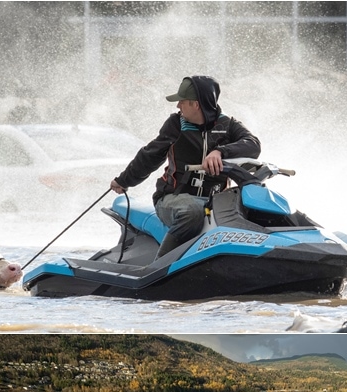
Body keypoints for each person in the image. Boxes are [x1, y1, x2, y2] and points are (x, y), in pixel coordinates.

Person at [110, 76, 261, 257]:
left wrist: (220, 152)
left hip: (216, 202)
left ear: (195, 104)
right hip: (173, 198)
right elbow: (149, 156)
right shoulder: (176, 125)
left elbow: (253, 144)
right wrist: (123, 181)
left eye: (182, 101)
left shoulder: (228, 125)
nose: (178, 106)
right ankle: (161, 265)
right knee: (193, 212)